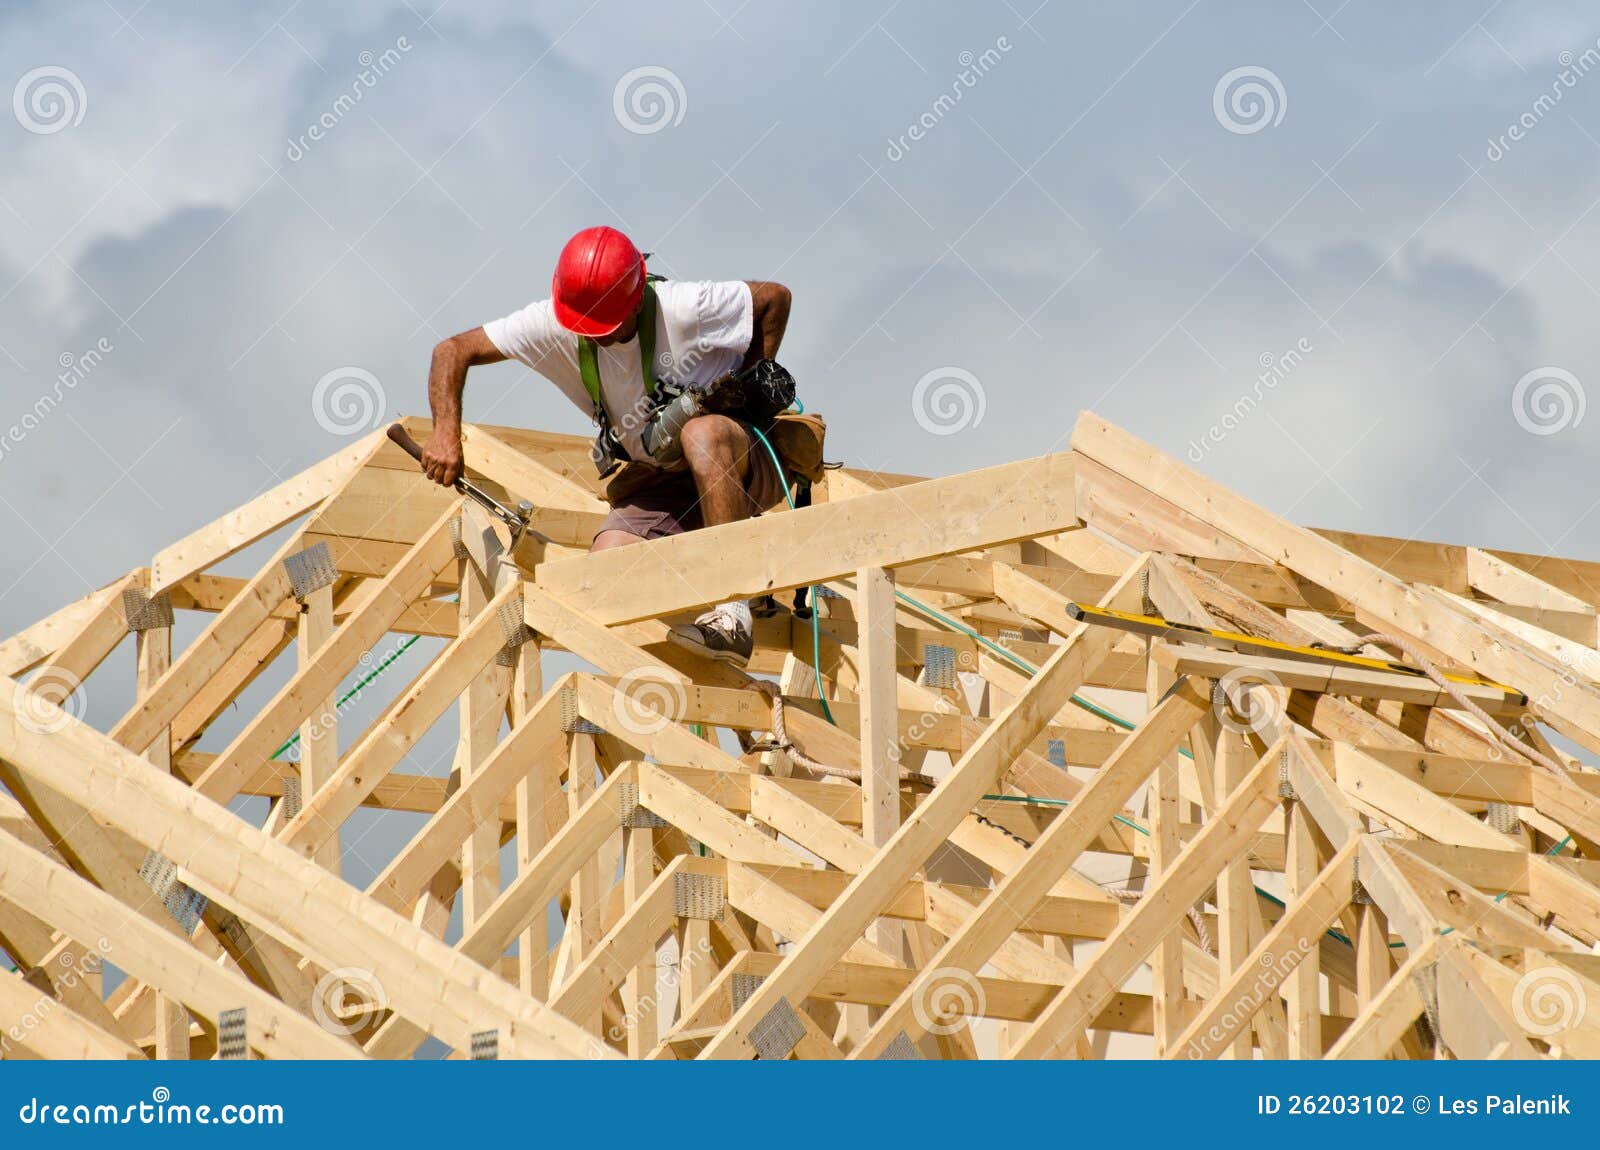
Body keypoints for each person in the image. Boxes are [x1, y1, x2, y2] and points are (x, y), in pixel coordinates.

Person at [418, 225, 793, 668]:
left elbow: (775, 298)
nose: (596, 337)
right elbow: (452, 350)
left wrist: (751, 392)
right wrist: (445, 433)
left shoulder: (684, 307)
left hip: (744, 462)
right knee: (606, 576)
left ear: (636, 301)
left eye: (608, 329)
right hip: (664, 481)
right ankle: (701, 668)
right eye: (586, 328)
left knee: (702, 434)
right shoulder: (552, 323)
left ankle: (733, 611)